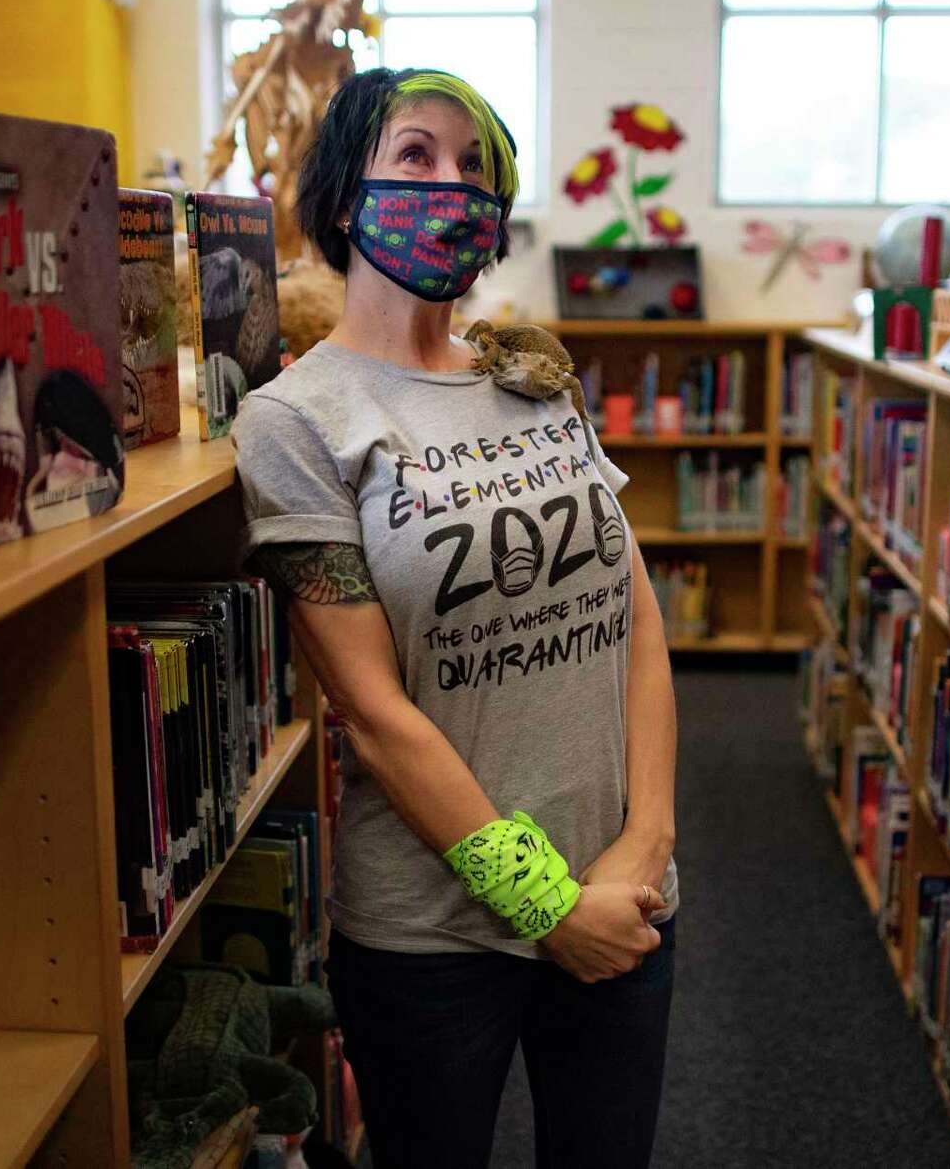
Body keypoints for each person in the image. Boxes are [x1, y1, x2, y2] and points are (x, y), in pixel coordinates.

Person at [231, 67, 679, 1169]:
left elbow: (637, 616)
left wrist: (647, 844)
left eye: (475, 166)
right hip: (435, 936)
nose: (451, 186)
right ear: (345, 198)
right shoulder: (297, 419)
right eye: (416, 156)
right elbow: (370, 712)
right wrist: (546, 907)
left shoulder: (531, 374)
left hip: (623, 896)